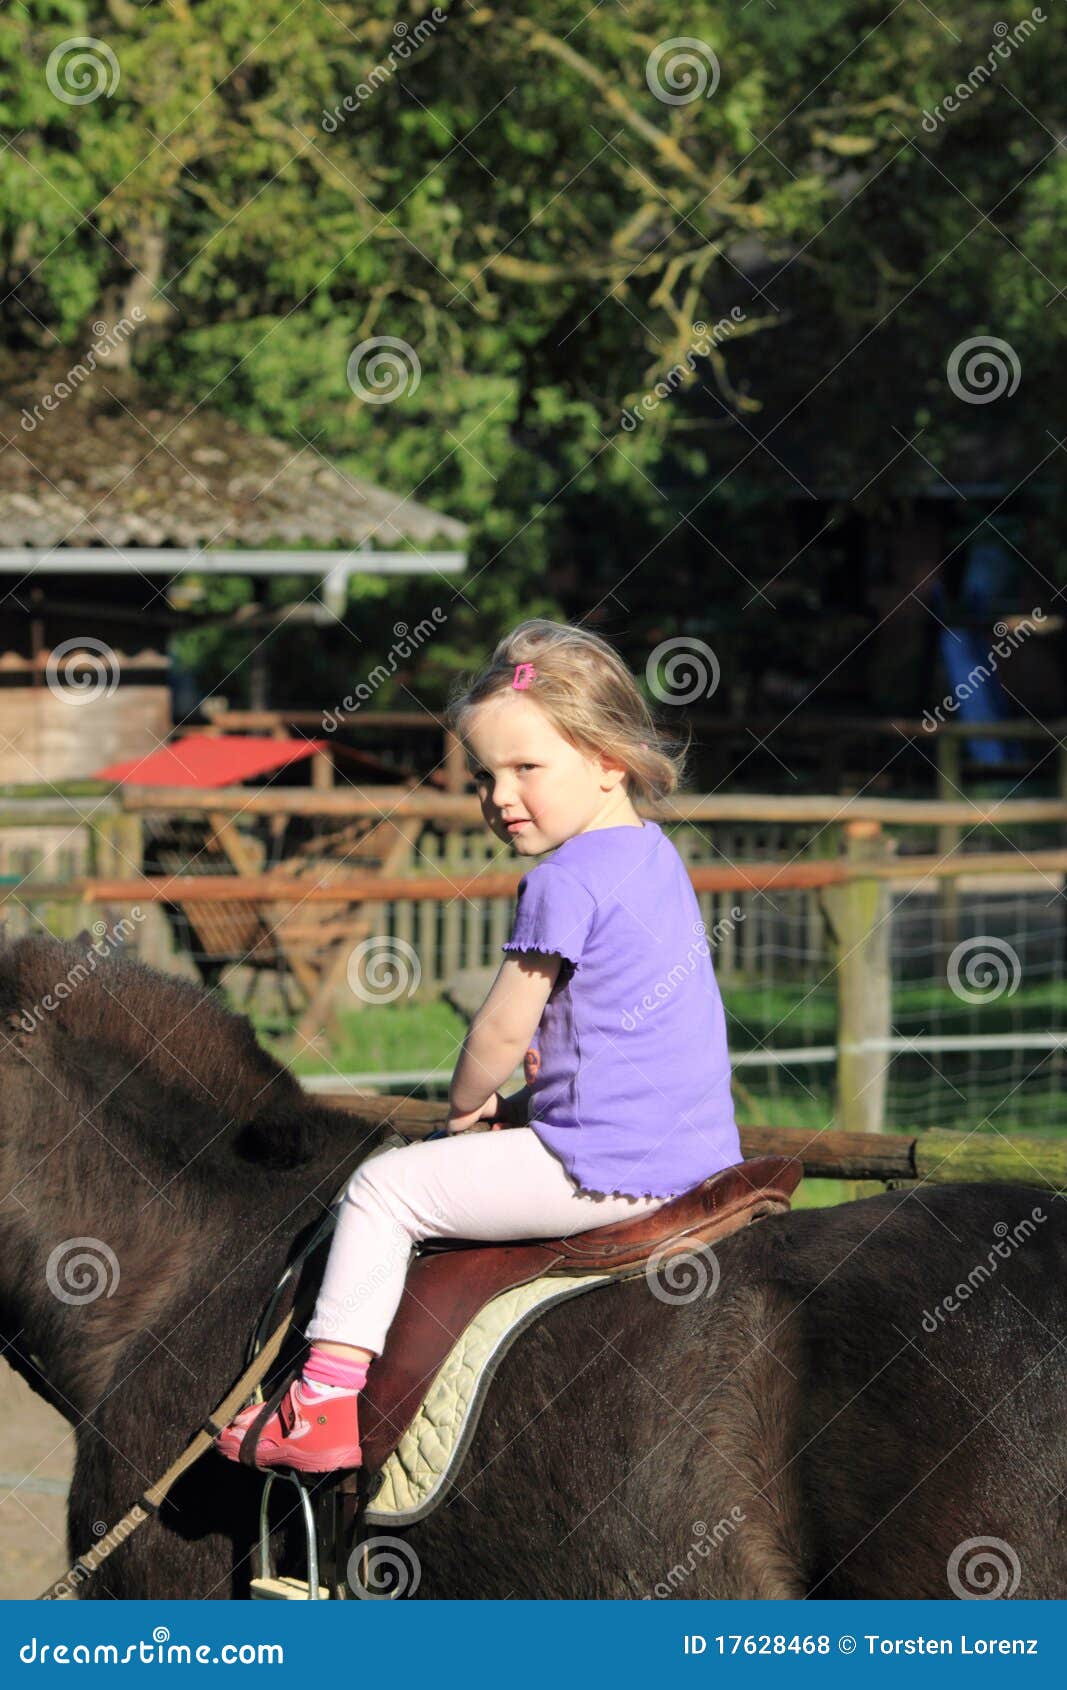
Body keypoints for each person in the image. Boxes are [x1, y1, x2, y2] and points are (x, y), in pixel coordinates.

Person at [215, 618, 741, 1472]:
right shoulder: (652, 854)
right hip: (697, 1151)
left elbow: (502, 1026)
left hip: (604, 1164)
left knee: (386, 1190)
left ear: (610, 760)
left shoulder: (562, 879)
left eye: (527, 769)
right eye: (487, 774)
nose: (500, 796)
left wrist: (466, 1108)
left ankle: (321, 1406)